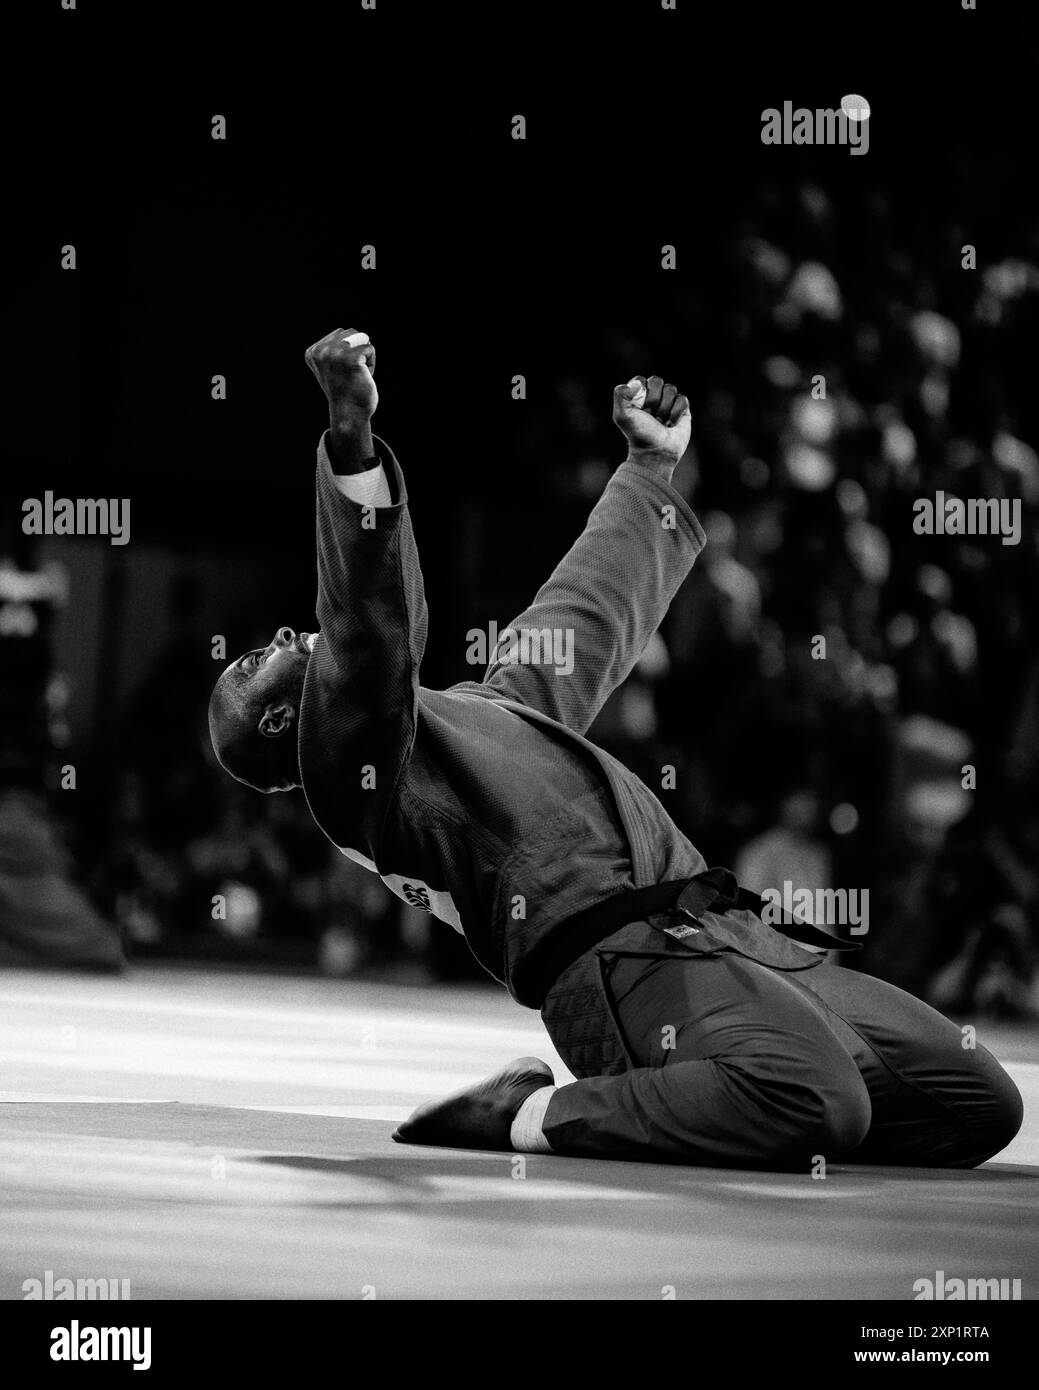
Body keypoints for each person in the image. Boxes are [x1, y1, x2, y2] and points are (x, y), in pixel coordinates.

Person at [207, 328, 1022, 1170]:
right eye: (254, 660)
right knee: (819, 1099)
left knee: (973, 1101)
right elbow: (370, 631)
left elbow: (580, 618)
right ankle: (531, 1116)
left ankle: (731, 1096)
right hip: (620, 969)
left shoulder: (471, 723)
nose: (273, 634)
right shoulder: (351, 779)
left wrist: (649, 470)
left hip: (725, 934)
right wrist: (350, 439)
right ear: (280, 725)